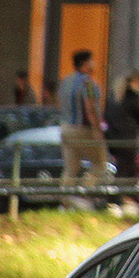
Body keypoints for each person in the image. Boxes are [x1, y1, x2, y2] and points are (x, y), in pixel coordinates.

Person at [59, 50, 108, 207]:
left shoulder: (66, 81)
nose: (94, 64)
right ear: (85, 64)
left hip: (65, 128)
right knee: (100, 163)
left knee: (71, 167)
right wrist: (97, 130)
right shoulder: (88, 83)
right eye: (91, 61)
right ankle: (84, 191)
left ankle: (65, 200)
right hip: (82, 129)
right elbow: (90, 108)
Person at [105, 70, 139, 180]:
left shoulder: (112, 97)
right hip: (128, 138)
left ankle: (123, 189)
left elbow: (106, 116)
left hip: (114, 138)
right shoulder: (133, 97)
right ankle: (122, 190)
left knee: (125, 168)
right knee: (127, 169)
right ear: (135, 81)